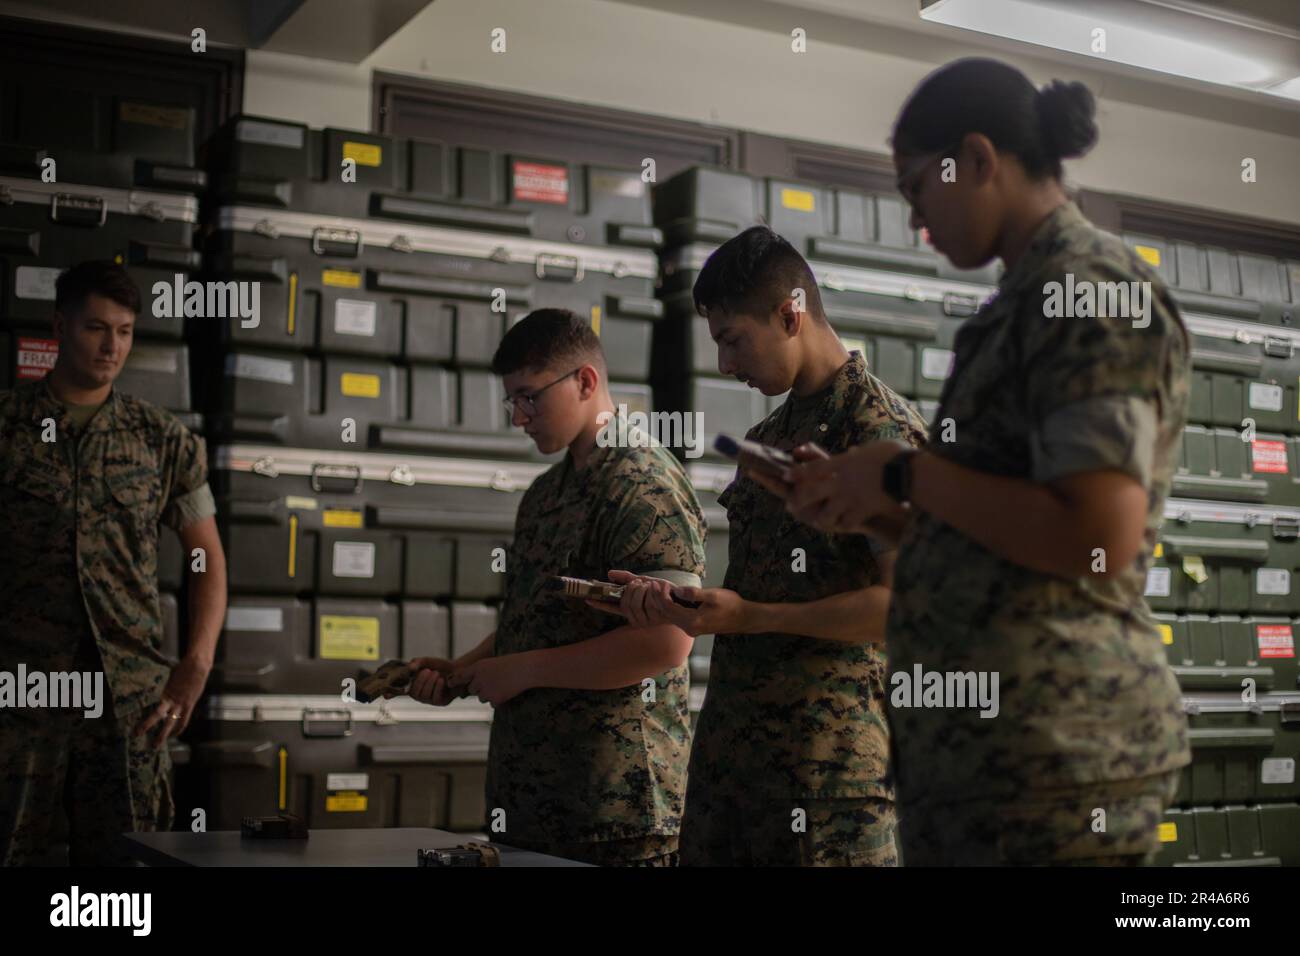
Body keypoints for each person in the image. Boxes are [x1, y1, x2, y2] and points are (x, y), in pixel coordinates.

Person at [779, 58, 1191, 865]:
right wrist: (870, 503)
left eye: (915, 190)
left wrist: (903, 472)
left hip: (1057, 757)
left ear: (976, 159)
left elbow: (1094, 534)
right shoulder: (1024, 300)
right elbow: (1005, 526)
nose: (914, 220)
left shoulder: (1089, 290)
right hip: (988, 758)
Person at [604, 227, 928, 865]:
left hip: (829, 779)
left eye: (733, 340)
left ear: (790, 313)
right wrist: (683, 606)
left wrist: (754, 617)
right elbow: (756, 593)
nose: (724, 364)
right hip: (733, 765)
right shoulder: (768, 435)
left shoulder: (879, 429)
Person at [400, 308, 706, 866]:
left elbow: (669, 642)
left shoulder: (643, 482)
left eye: (529, 397)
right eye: (511, 401)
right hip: (533, 805)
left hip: (615, 810)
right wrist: (462, 669)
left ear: (585, 382)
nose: (518, 417)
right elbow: (533, 624)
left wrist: (523, 672)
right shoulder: (546, 493)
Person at [0, 260, 227, 865]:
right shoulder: (7, 427)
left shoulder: (160, 438)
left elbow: (205, 556)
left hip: (129, 702)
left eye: (124, 331)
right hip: (22, 695)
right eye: (96, 328)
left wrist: (195, 666)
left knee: (125, 877)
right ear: (59, 325)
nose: (111, 346)